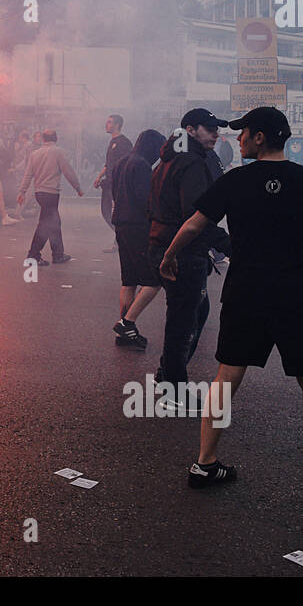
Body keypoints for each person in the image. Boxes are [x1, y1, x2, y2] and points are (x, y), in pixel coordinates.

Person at [157, 107, 303, 498]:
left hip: (245, 291)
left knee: (227, 375)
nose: (237, 139)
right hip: (292, 290)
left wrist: (169, 255)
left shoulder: (235, 181)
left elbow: (195, 223)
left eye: (243, 132)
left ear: (260, 138)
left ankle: (205, 465)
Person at [147, 109, 231, 395]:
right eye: (209, 129)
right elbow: (196, 217)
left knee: (190, 313)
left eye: (217, 129)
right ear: (191, 130)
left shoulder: (168, 158)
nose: (216, 134)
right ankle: (172, 386)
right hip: (182, 250)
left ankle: (168, 375)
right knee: (184, 319)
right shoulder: (191, 162)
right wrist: (229, 245)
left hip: (165, 245)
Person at [110, 129, 165, 349]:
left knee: (129, 281)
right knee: (153, 280)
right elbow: (145, 200)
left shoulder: (122, 161)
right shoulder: (142, 165)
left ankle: (125, 329)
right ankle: (127, 323)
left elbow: (114, 193)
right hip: (138, 226)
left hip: (121, 223)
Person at [18, 129, 84, 265]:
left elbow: (28, 174)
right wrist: (77, 187)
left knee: (54, 222)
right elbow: (68, 171)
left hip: (39, 193)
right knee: (47, 224)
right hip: (51, 193)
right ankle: (33, 255)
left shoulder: (35, 154)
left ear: (43, 139)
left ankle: (58, 254)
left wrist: (22, 191)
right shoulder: (58, 152)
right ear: (56, 138)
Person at [94, 114, 132, 252]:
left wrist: (121, 187)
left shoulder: (124, 143)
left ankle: (120, 241)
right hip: (108, 183)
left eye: (109, 122)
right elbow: (108, 163)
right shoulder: (112, 142)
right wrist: (99, 177)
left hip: (116, 185)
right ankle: (120, 239)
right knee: (106, 212)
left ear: (117, 125)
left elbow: (126, 164)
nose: (106, 125)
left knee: (113, 214)